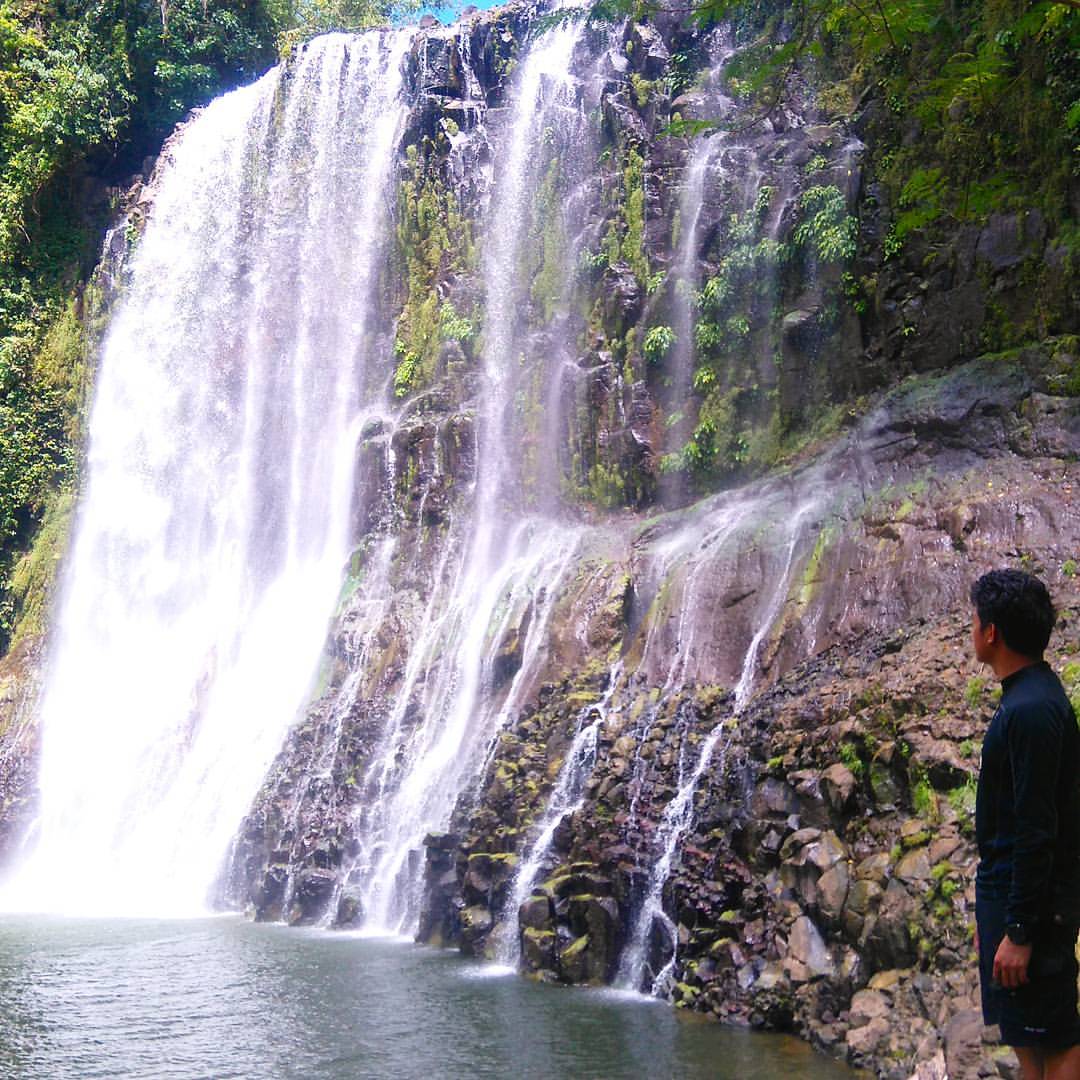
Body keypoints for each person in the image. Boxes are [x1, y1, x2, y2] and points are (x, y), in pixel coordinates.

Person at [972, 568, 1080, 1080]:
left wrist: (1019, 929)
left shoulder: (1033, 708)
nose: (970, 630)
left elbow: (1037, 828)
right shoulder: (1025, 696)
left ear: (991, 631)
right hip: (1014, 902)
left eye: (974, 620)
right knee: (1026, 1037)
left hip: (1032, 915)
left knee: (1054, 1038)